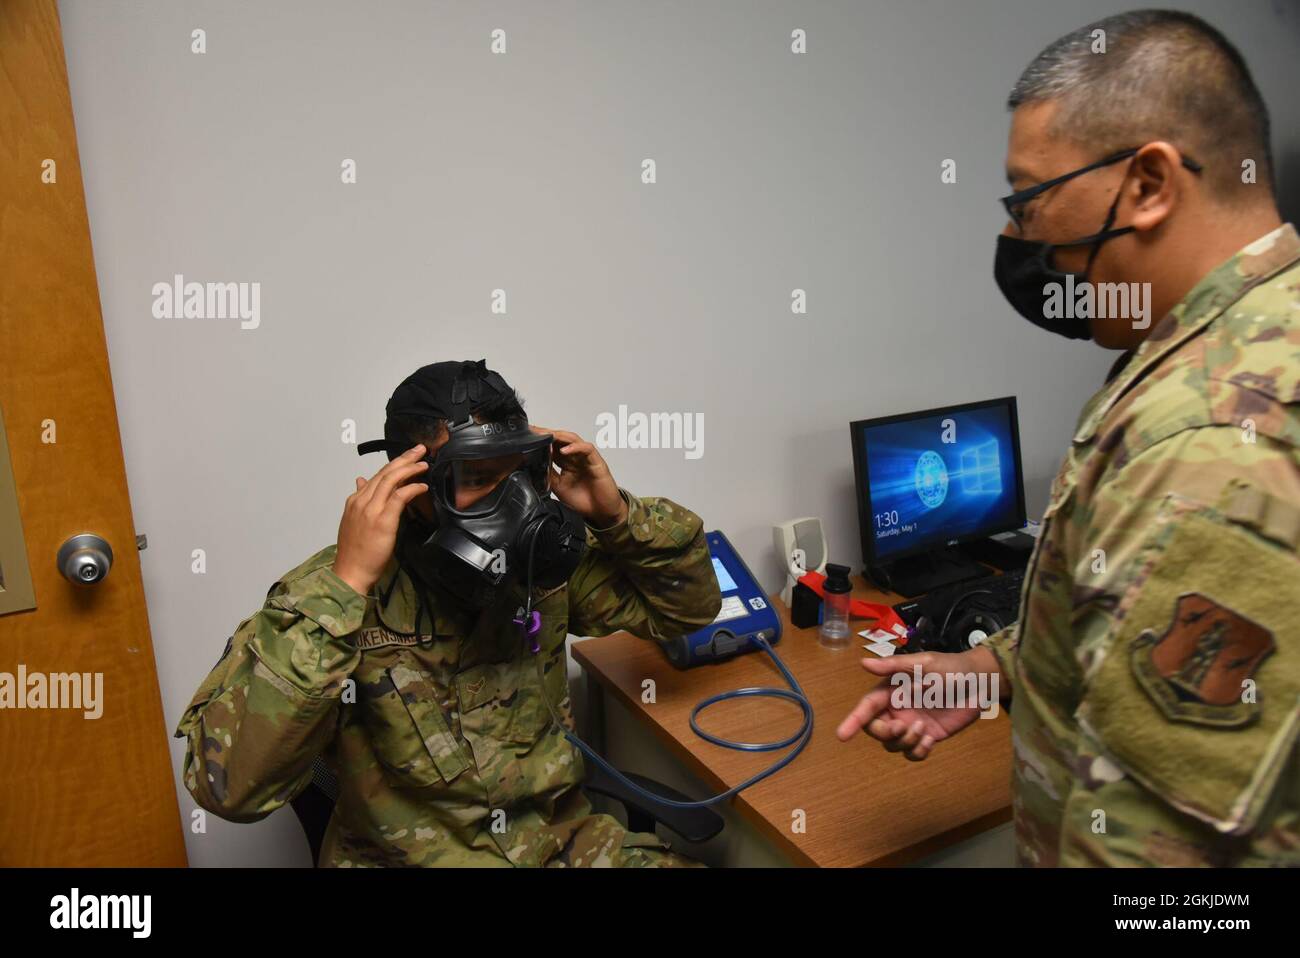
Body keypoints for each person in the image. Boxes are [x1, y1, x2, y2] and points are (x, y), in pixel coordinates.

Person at [837, 9, 1299, 866]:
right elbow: (1135, 630)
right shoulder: (1219, 344)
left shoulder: (1207, 440)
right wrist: (995, 671)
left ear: (1151, 184)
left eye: (1029, 200)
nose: (1018, 240)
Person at [175, 359, 721, 866]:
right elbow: (228, 790)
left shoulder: (539, 571)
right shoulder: (334, 601)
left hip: (558, 848)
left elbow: (688, 610)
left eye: (521, 474)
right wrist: (343, 589)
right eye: (479, 479)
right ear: (413, 488)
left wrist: (616, 516)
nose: (515, 504)